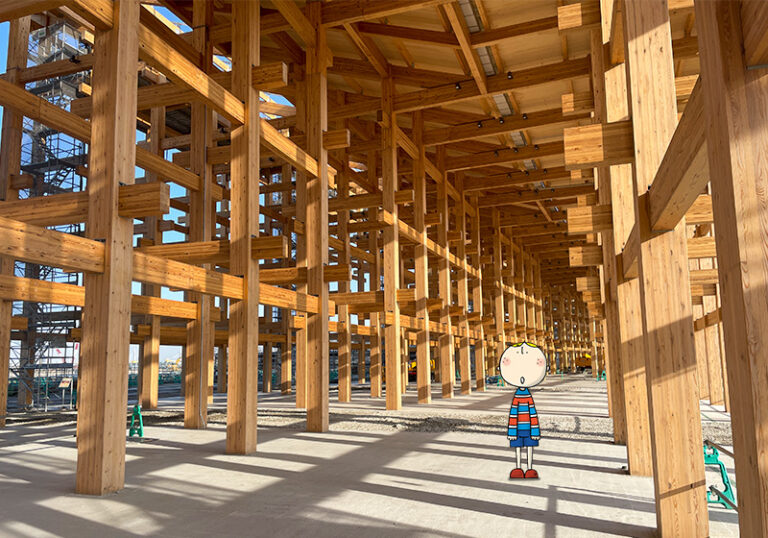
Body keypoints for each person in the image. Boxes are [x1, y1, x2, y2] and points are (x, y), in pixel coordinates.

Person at [498, 342, 547, 479]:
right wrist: (512, 432)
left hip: (528, 428)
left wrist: (535, 431)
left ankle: (529, 468)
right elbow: (514, 415)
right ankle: (519, 467)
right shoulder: (518, 398)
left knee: (528, 447)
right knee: (519, 448)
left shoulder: (526, 397)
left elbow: (532, 414)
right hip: (519, 429)